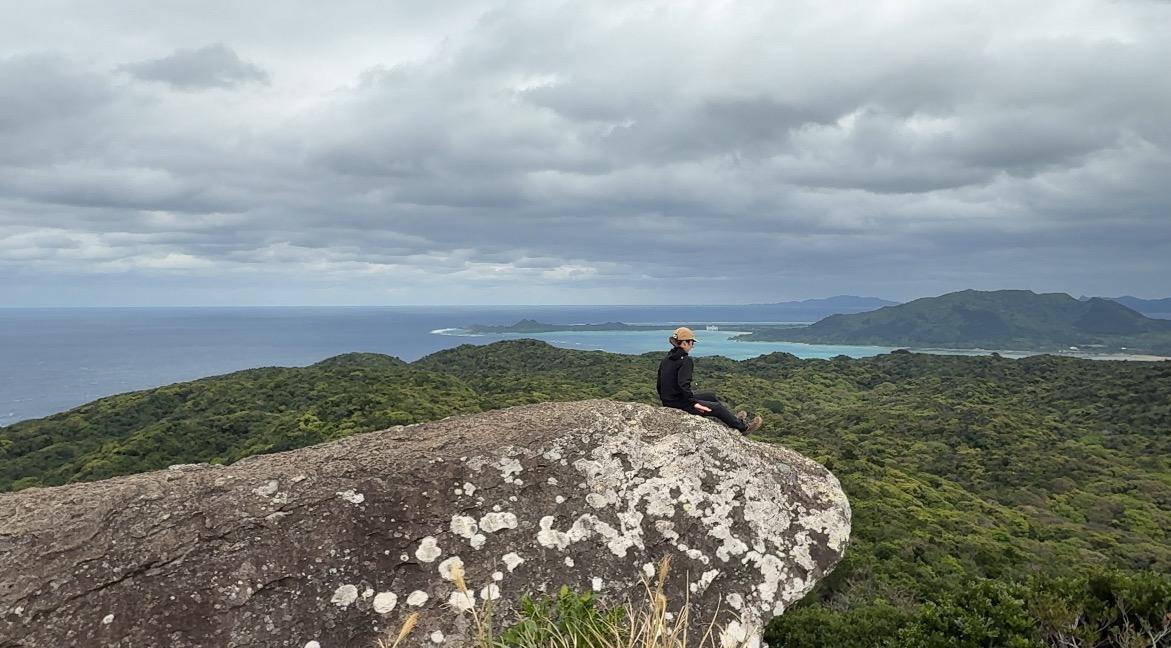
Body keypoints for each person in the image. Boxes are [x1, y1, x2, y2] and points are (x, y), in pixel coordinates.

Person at [656, 326, 762, 434]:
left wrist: (667, 400)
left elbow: (659, 384)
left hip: (670, 400)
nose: (692, 346)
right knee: (718, 408)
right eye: (692, 343)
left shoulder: (667, 359)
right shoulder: (686, 360)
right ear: (684, 343)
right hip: (680, 403)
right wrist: (693, 403)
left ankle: (732, 420)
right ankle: (743, 428)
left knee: (710, 396)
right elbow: (683, 384)